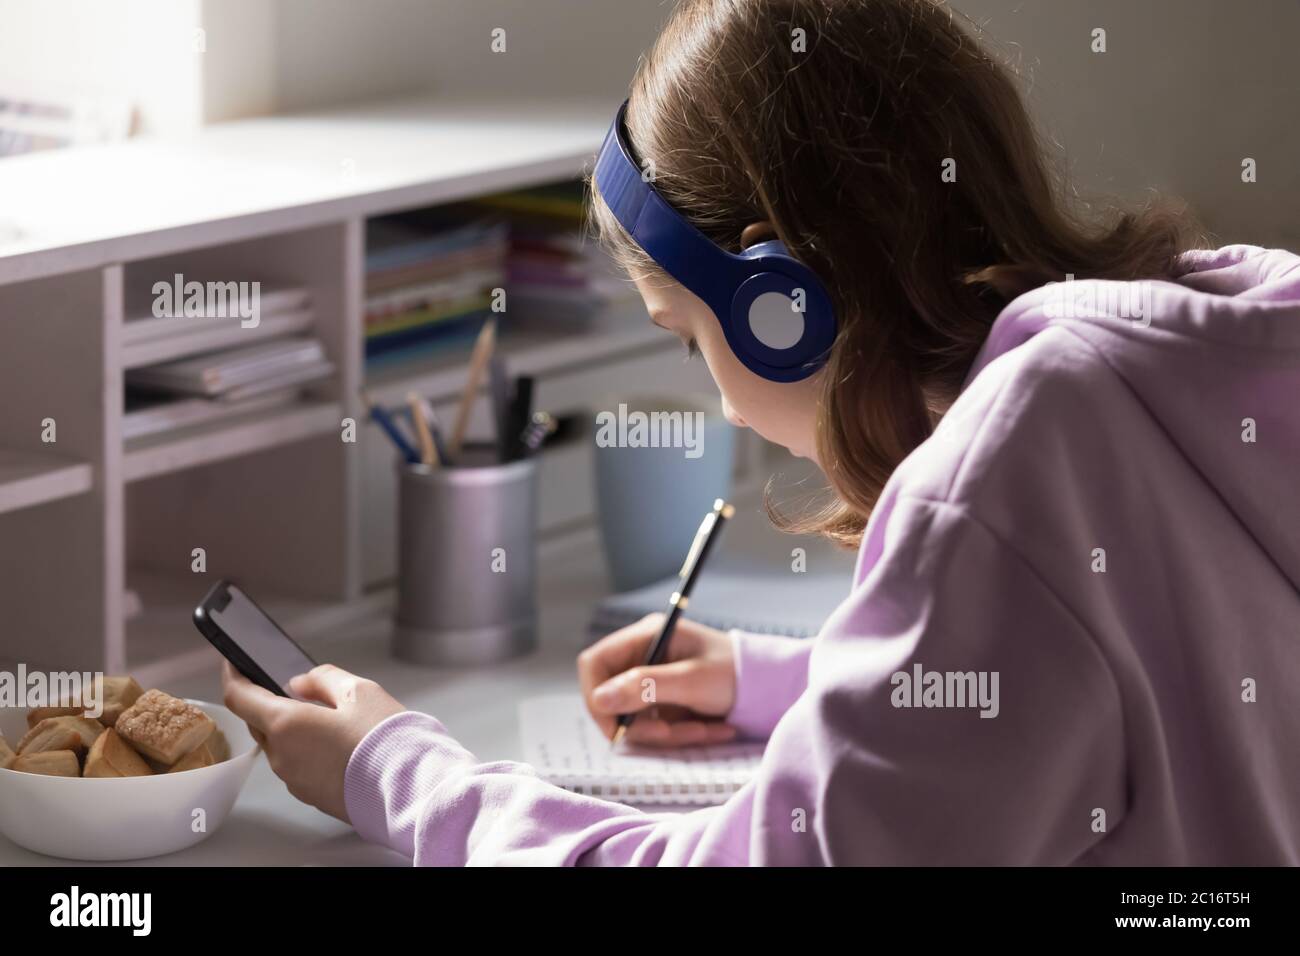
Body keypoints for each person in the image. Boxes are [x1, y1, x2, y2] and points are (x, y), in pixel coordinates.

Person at [222, 0, 1300, 865]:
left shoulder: (1002, 473)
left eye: (690, 338)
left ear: (778, 310)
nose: (725, 401)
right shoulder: (1221, 331)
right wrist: (786, 678)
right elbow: (1113, 659)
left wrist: (399, 773)